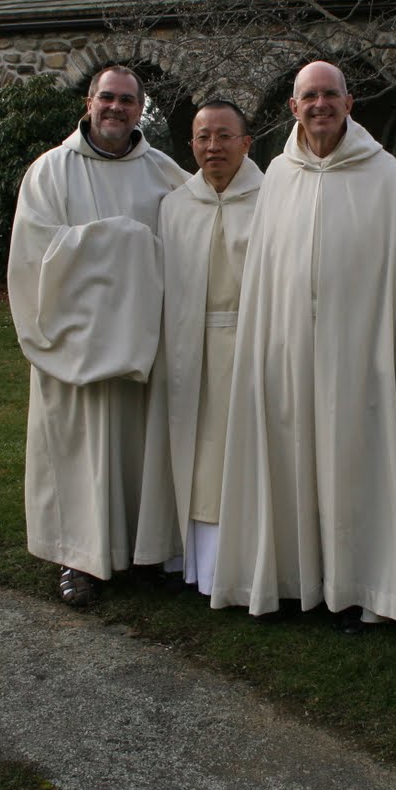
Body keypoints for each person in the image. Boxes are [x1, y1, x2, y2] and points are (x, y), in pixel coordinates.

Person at [210, 61, 396, 630]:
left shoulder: (383, 171)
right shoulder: (279, 173)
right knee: (292, 461)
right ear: (293, 108)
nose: (320, 105)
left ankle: (353, 588)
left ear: (350, 104)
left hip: (360, 347)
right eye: (308, 97)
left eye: (330, 95)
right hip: (289, 346)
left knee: (353, 464)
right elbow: (267, 270)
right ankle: (294, 581)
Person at [7, 65, 187, 607]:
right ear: (89, 102)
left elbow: (191, 243)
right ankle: (77, 559)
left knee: (139, 453)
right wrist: (124, 242)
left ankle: (146, 550)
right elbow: (36, 254)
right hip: (76, 341)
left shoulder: (164, 173)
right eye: (107, 98)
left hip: (140, 348)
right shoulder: (50, 173)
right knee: (78, 453)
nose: (116, 108)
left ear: (141, 108)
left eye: (127, 100)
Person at [135, 100, 262, 594]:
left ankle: (250, 566)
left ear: (246, 143)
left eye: (224, 135)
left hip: (250, 347)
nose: (213, 146)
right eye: (203, 137)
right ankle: (193, 563)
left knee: (240, 457)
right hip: (187, 348)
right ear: (190, 145)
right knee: (193, 456)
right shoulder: (175, 206)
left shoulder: (272, 199)